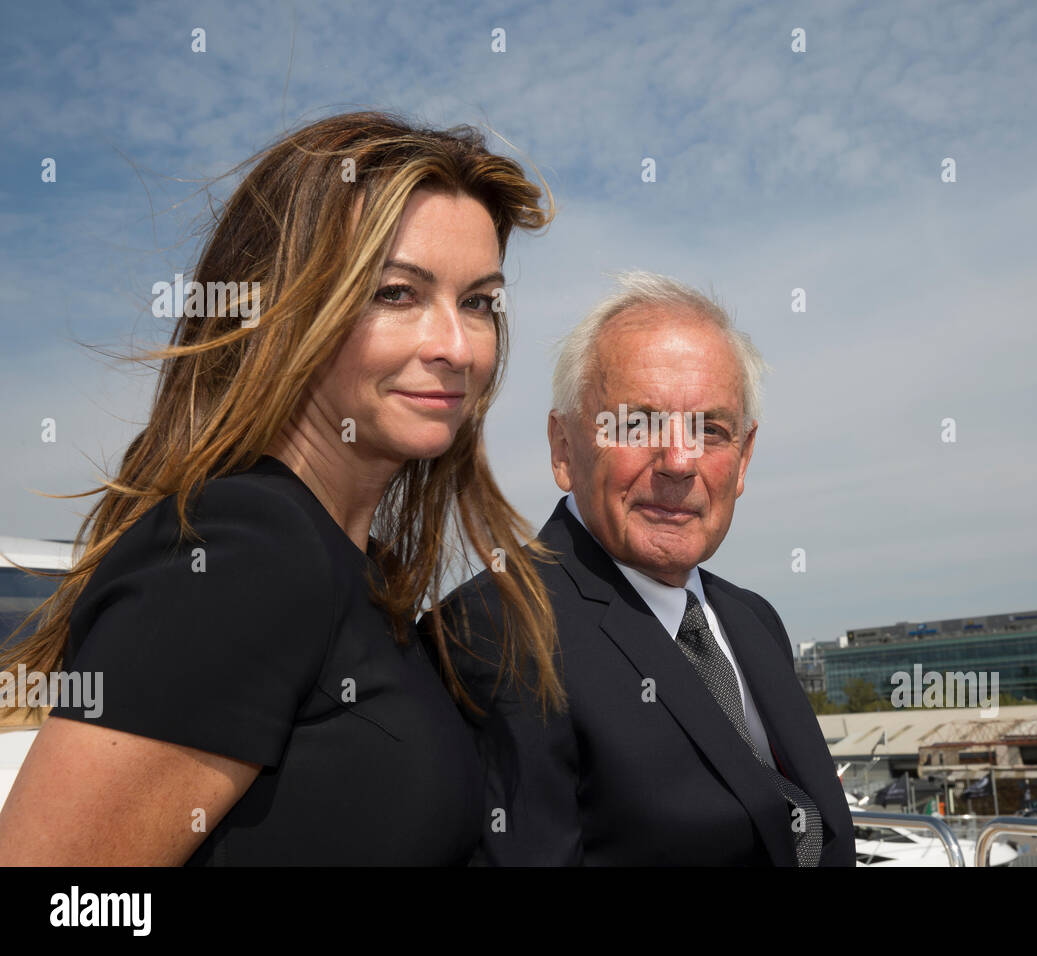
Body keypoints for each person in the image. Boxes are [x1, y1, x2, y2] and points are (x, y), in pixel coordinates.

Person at [0, 112, 563, 865]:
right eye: (397, 293)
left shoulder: (361, 573)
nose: (456, 347)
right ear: (287, 308)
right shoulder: (249, 550)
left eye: (479, 302)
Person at [433, 271, 854, 865]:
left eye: (710, 429)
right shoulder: (498, 633)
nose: (679, 461)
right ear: (563, 448)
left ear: (743, 459)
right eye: (637, 424)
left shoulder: (753, 619)